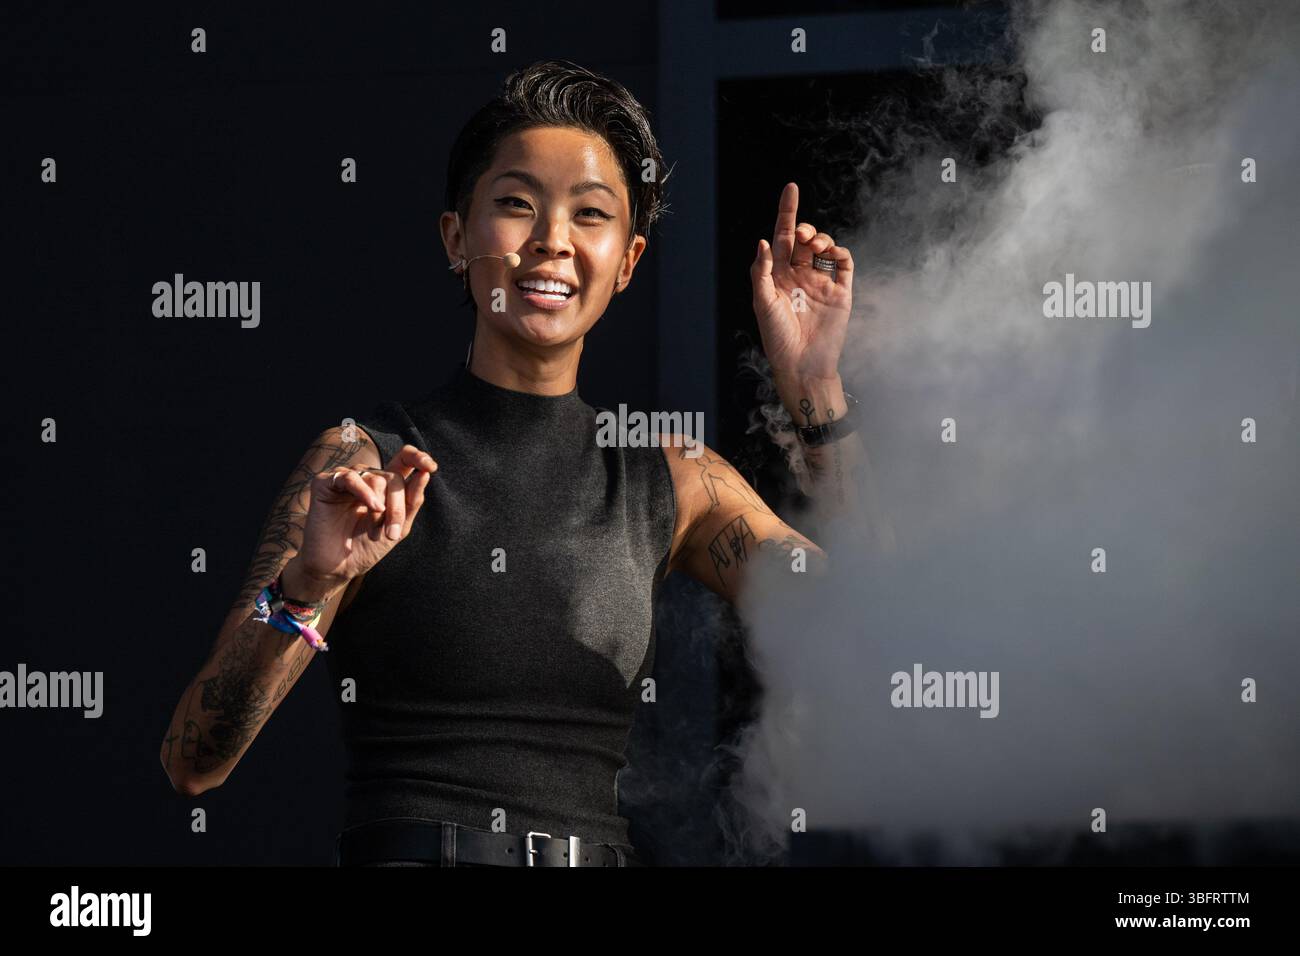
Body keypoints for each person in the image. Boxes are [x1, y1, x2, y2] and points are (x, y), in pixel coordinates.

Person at [159, 58, 871, 867]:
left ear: (628, 261)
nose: (553, 241)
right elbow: (193, 763)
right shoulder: (367, 460)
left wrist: (815, 386)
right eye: (515, 205)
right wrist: (308, 586)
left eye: (590, 213)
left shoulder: (670, 475)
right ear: (456, 238)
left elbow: (870, 623)